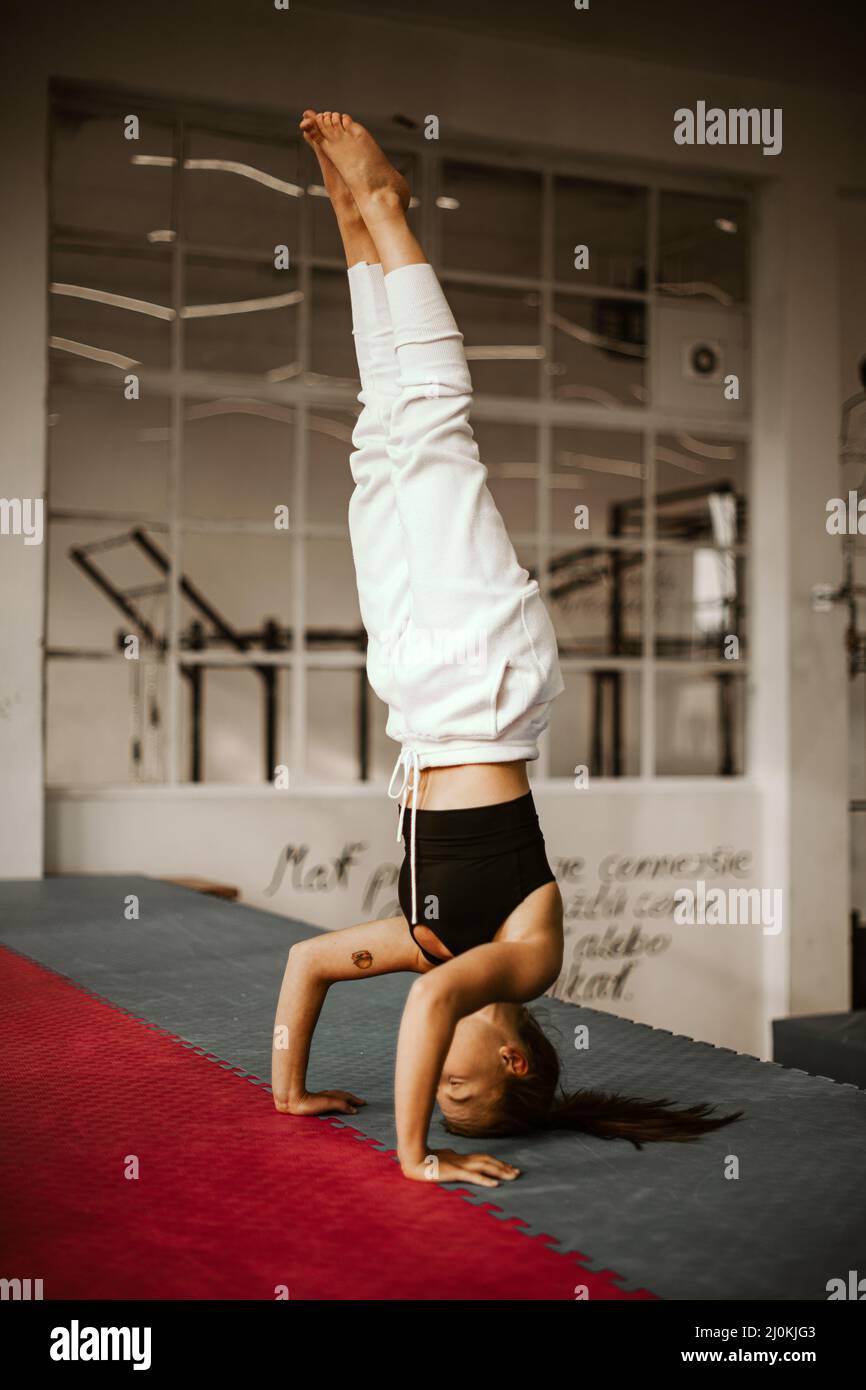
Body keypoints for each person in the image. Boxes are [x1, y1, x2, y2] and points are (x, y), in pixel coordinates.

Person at [271, 111, 742, 1187]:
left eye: (435, 1093)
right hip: (482, 676)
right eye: (458, 1082)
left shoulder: (426, 939)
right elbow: (434, 1006)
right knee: (431, 427)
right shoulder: (523, 955)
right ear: (517, 1049)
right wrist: (412, 1156)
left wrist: (291, 1088)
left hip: (417, 691)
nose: (437, 1068)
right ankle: (388, 207)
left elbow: (305, 966)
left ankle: (349, 225)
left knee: (378, 441)